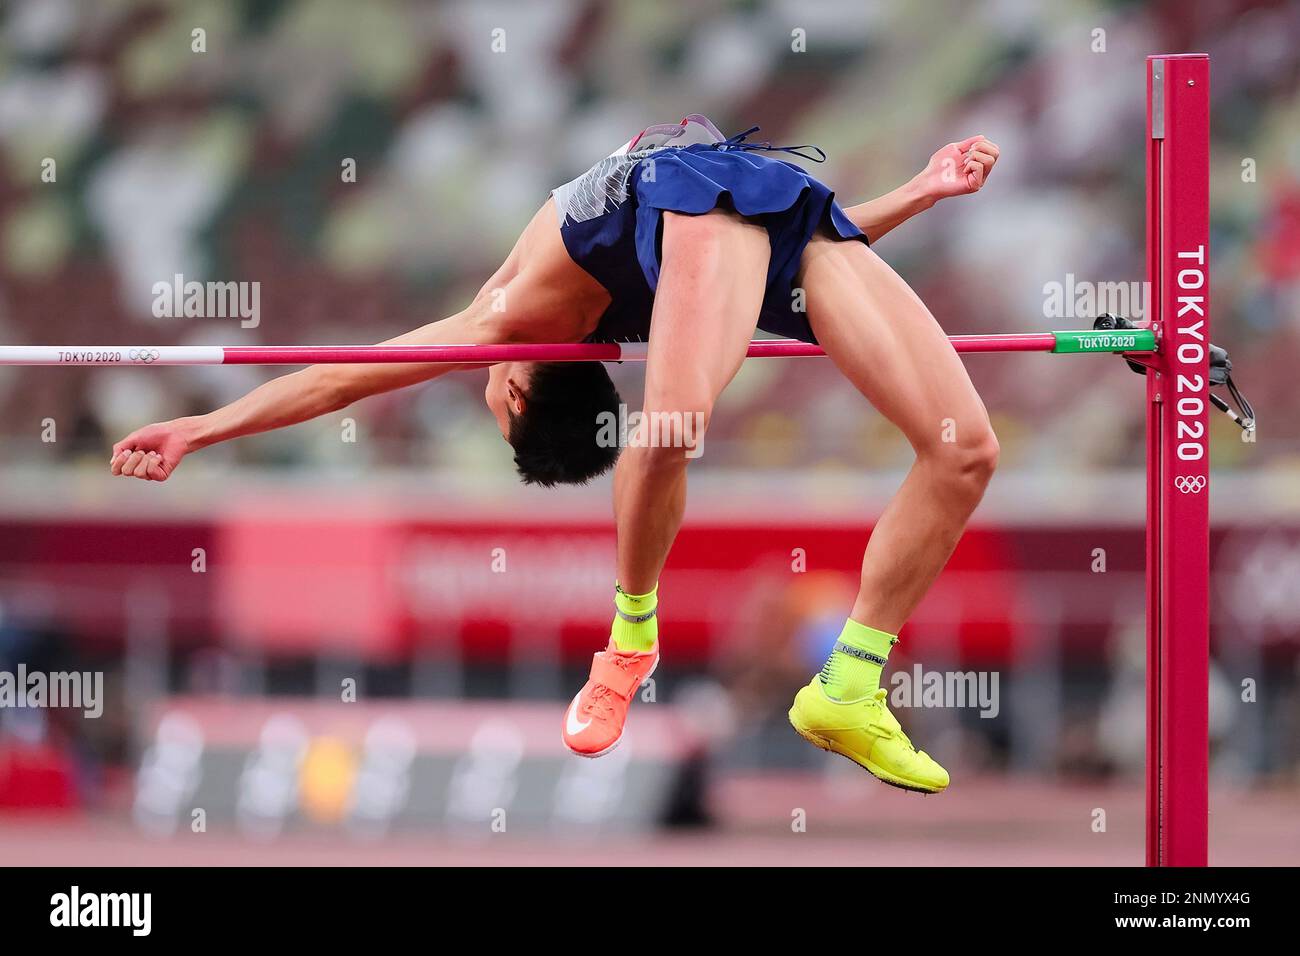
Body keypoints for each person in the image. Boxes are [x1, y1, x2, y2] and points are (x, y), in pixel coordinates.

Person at [110, 116, 1000, 793]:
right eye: (496, 405)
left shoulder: (518, 310)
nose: (486, 386)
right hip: (737, 223)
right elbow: (344, 378)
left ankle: (848, 682)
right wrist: (198, 430)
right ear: (523, 393)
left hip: (758, 210)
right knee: (671, 429)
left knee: (964, 452)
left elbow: (757, 231)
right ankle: (630, 646)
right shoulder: (510, 322)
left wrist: (921, 190)